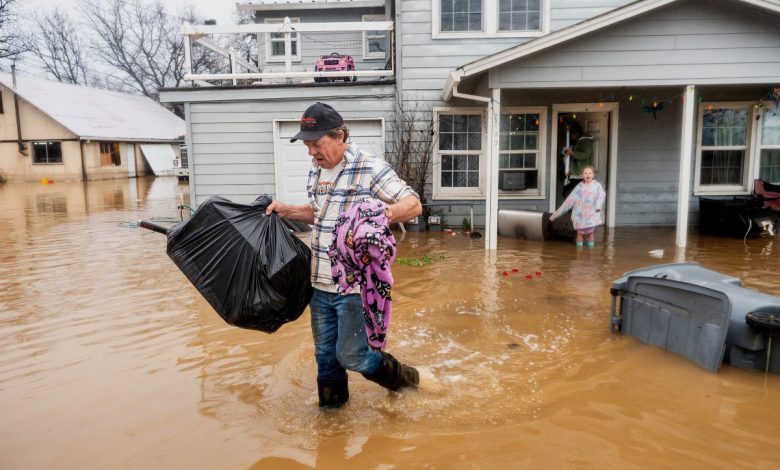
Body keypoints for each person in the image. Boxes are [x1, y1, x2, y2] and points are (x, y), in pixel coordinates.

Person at [265, 102, 422, 409]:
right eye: (307, 145)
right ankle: (332, 420)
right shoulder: (317, 171)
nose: (311, 152)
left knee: (352, 355)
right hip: (319, 283)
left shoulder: (369, 167)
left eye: (316, 144)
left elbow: (413, 204)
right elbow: (319, 214)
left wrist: (377, 215)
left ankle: (408, 380)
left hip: (354, 288)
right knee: (325, 357)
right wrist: (287, 210)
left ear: (340, 136)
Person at [550, 165, 605, 248]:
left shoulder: (597, 186)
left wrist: (598, 205)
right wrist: (555, 215)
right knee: (580, 233)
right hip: (580, 215)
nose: (588, 175)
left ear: (593, 175)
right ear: (582, 175)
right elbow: (569, 201)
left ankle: (591, 251)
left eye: (590, 173)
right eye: (585, 173)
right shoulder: (579, 187)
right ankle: (579, 251)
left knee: (590, 233)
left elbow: (601, 196)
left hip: (591, 215)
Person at [561, 122, 594, 200]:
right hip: (575, 173)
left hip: (581, 173)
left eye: (572, 135)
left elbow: (585, 155)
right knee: (567, 193)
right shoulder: (578, 142)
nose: (571, 137)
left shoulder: (586, 141)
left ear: (576, 133)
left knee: (569, 194)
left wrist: (572, 153)